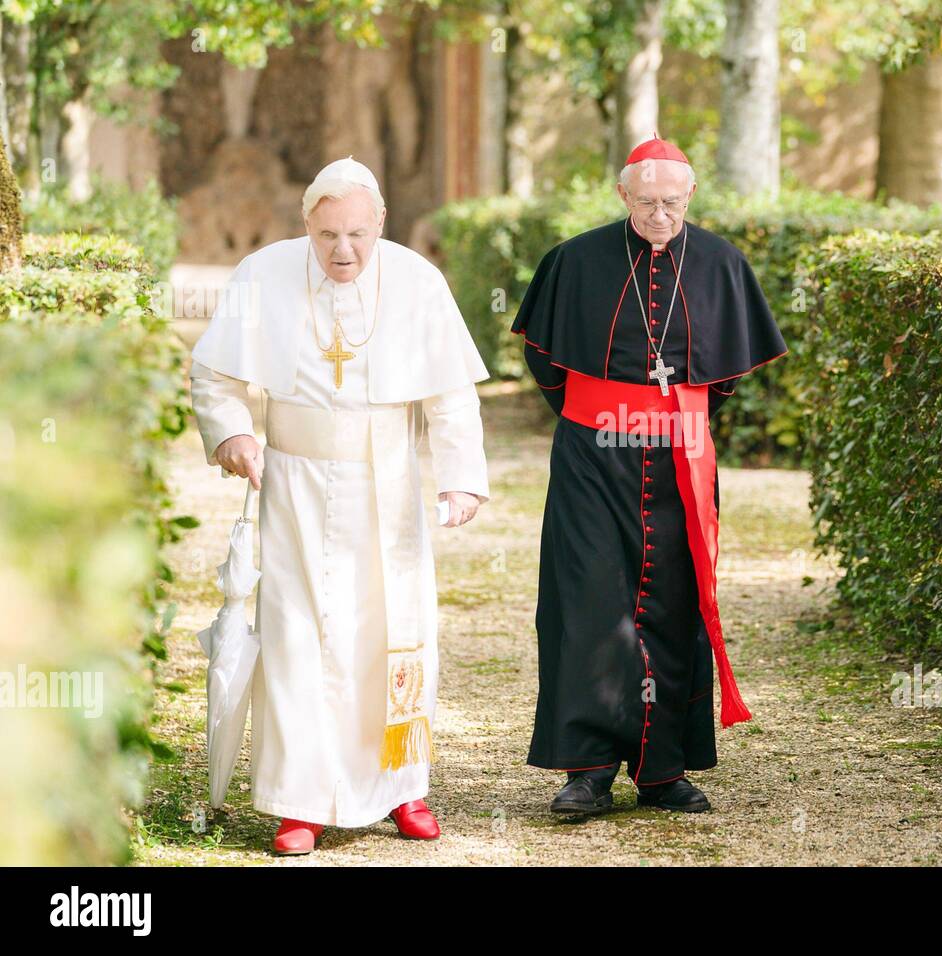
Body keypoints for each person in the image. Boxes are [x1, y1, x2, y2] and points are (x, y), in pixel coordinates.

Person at [189, 156, 490, 854]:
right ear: (307, 225)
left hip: (389, 484)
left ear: (380, 222)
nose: (344, 251)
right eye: (328, 236)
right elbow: (214, 374)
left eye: (358, 234)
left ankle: (402, 787)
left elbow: (450, 396)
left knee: (393, 632)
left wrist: (460, 478)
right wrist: (232, 431)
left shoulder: (417, 281)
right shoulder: (263, 274)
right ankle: (301, 800)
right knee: (299, 638)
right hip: (293, 483)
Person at [512, 134, 787, 814]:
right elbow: (547, 366)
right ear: (622, 196)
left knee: (672, 606)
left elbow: (722, 379)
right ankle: (588, 770)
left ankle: (664, 770)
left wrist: (672, 416)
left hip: (680, 461)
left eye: (671, 202)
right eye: (646, 203)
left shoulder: (722, 263)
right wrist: (606, 417)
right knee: (587, 606)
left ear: (690, 195)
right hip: (590, 462)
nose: (659, 215)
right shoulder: (574, 261)